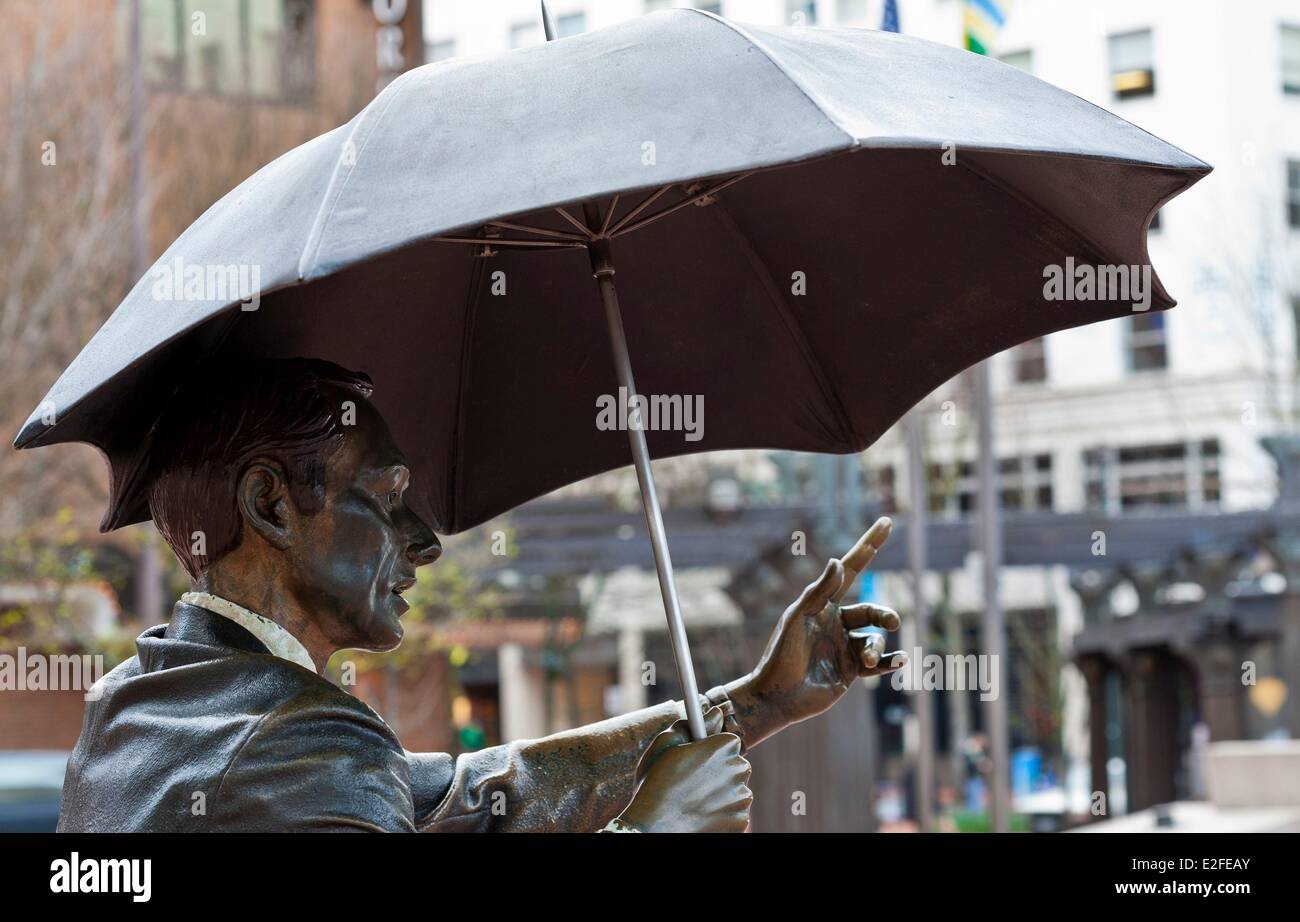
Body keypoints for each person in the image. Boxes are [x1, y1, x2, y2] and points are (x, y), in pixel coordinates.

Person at [57, 358, 905, 832]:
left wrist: (755, 702)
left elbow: (487, 795)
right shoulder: (285, 743)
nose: (424, 543)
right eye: (387, 499)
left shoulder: (141, 705)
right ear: (271, 505)